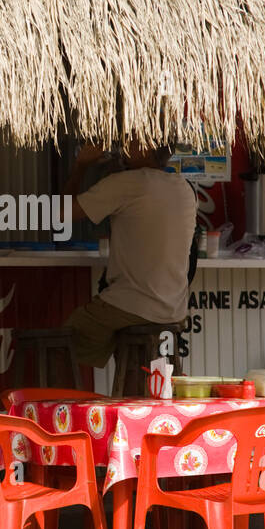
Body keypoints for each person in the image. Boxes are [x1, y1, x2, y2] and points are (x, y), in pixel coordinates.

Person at [62, 139, 198, 368]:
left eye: (130, 140)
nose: (122, 145)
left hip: (132, 305)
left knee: (64, 343)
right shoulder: (184, 188)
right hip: (174, 310)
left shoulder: (126, 183)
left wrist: (81, 166)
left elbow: (61, 214)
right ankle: (136, 383)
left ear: (145, 146)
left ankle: (64, 401)